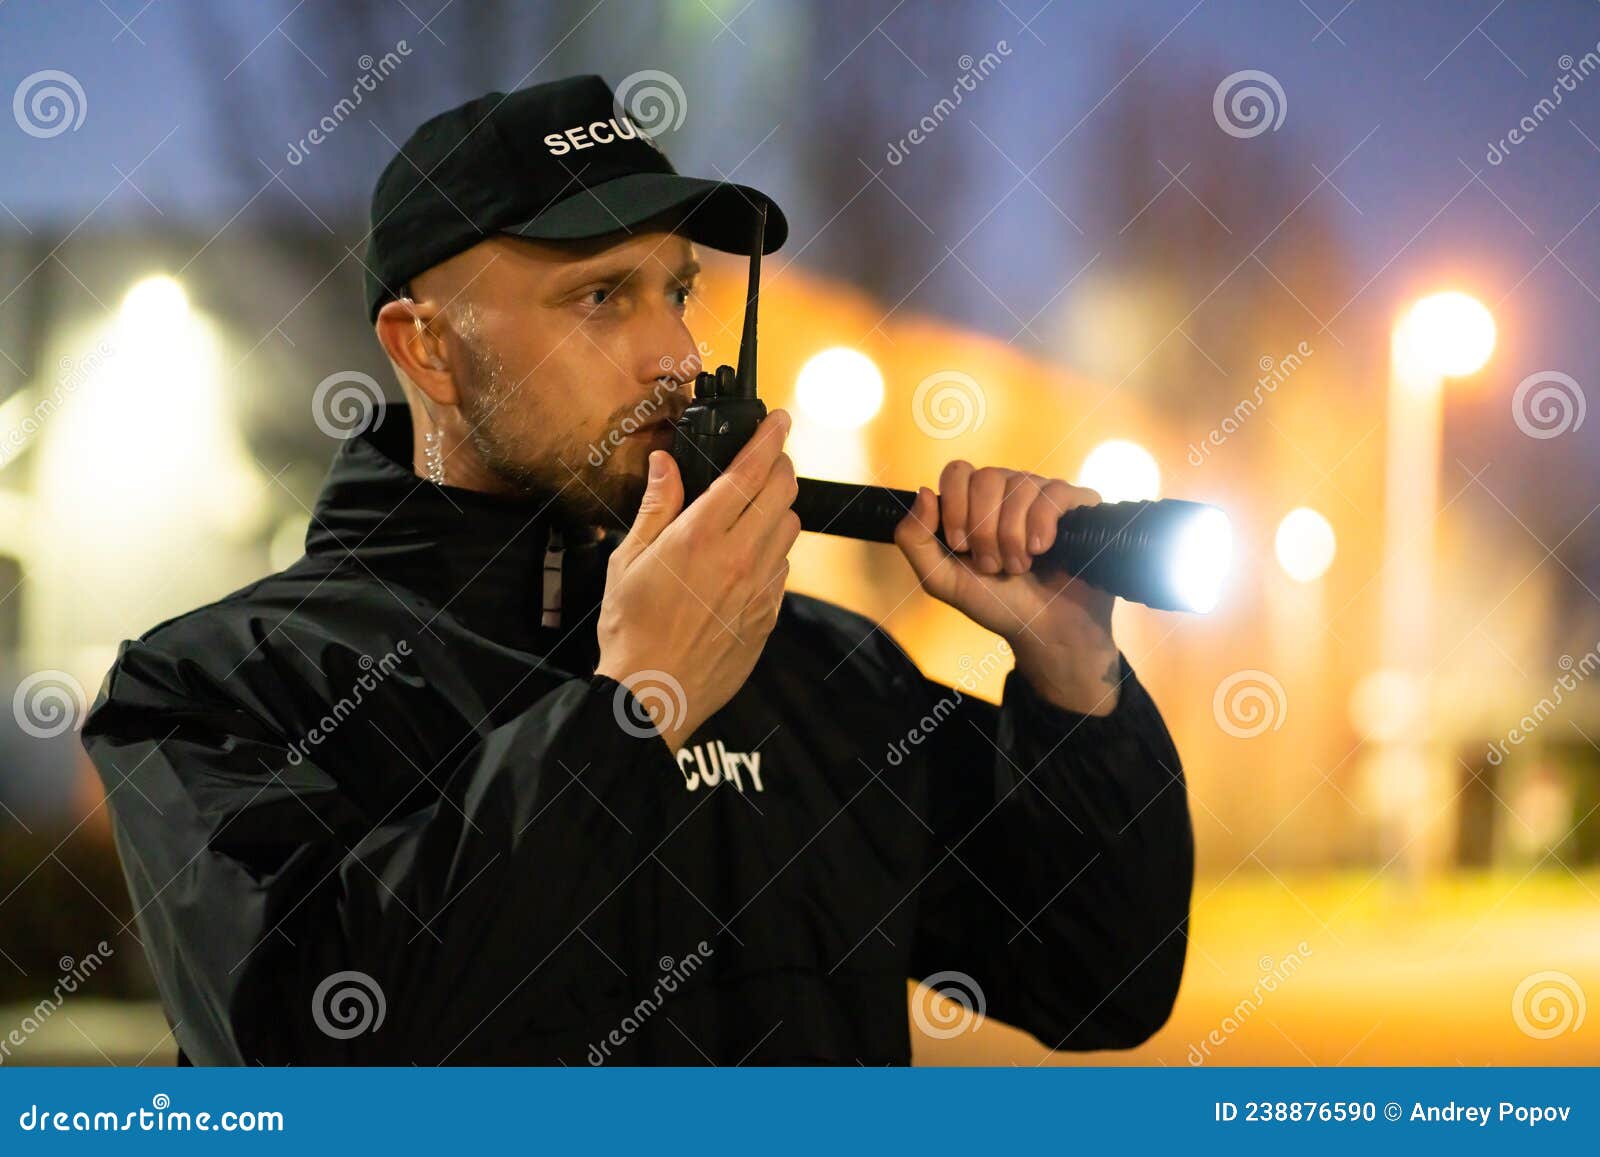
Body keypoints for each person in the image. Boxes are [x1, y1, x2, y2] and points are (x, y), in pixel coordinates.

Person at [80, 74, 1193, 1065]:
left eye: (678, 292)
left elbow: (1097, 982)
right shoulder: (221, 687)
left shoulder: (823, 671)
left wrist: (1072, 679)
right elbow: (310, 1056)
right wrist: (627, 715)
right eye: (600, 297)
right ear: (427, 346)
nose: (674, 355)